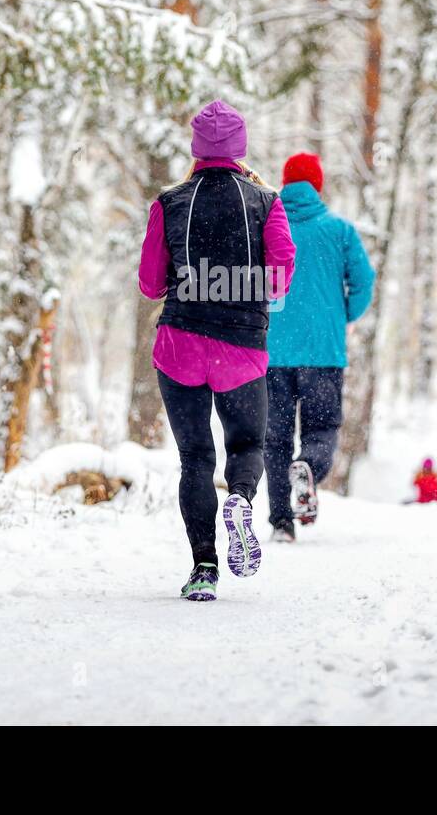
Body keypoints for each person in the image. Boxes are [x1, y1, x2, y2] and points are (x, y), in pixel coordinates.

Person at [137, 100, 296, 601]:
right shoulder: (266, 202)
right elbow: (281, 274)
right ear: (240, 147)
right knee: (247, 446)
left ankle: (203, 567)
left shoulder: (170, 202)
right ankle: (244, 500)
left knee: (195, 458)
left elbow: (148, 283)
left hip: (181, 343)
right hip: (240, 350)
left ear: (197, 149)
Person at [264, 152, 376, 541]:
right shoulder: (339, 231)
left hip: (272, 352)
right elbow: (364, 280)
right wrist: (340, 315)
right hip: (323, 353)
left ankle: (281, 522)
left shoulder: (268, 225)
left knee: (274, 437)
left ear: (284, 182)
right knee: (321, 427)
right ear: (318, 185)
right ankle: (309, 466)